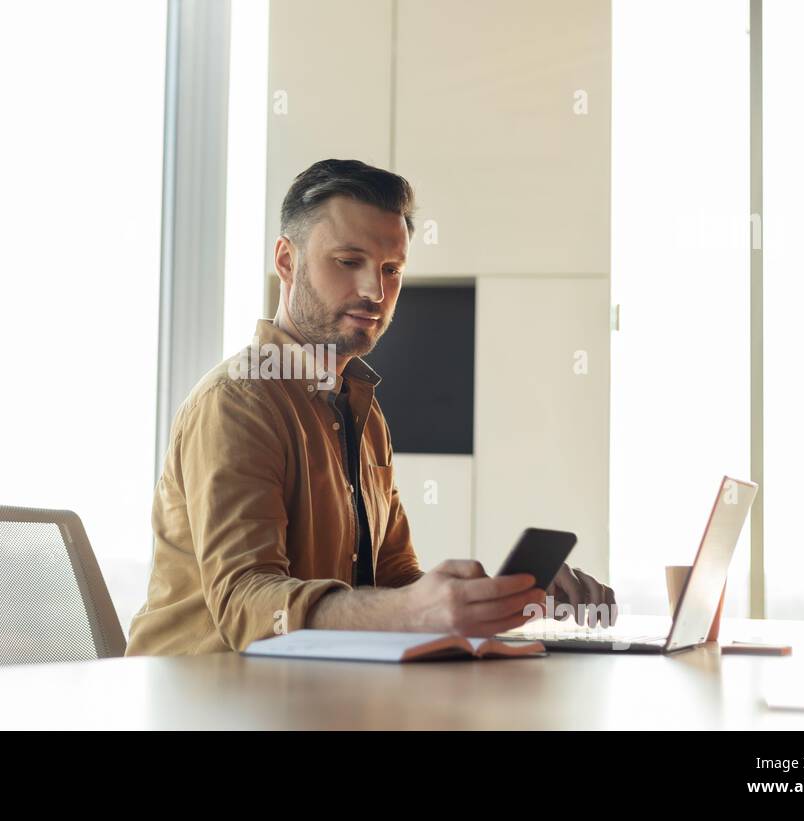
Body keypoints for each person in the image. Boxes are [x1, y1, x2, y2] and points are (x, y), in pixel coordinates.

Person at [126, 159, 614, 655]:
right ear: (286, 261)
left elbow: (394, 580)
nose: (374, 291)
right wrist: (415, 609)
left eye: (391, 270)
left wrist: (495, 601)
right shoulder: (237, 402)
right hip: (202, 700)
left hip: (309, 695)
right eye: (348, 261)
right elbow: (247, 605)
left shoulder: (359, 408)